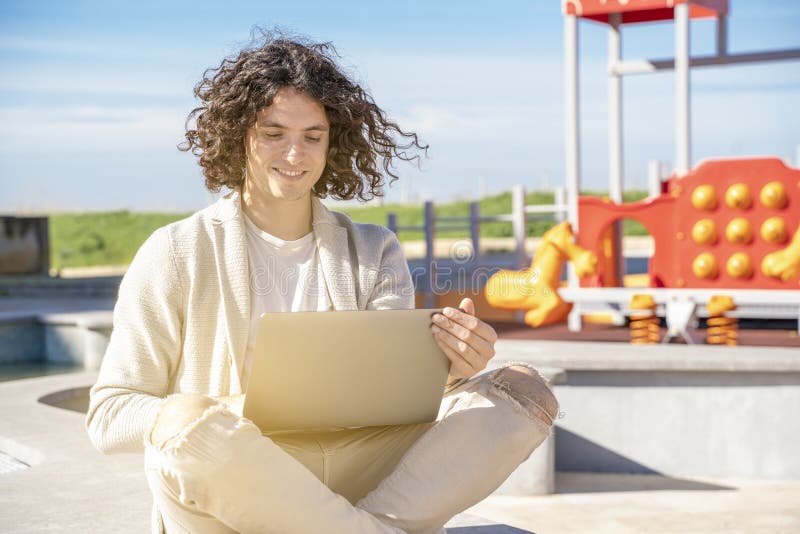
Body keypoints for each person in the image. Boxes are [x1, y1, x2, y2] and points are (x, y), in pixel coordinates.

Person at [86, 31, 559, 534]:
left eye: (313, 136)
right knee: (184, 426)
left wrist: (451, 369)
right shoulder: (176, 251)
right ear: (237, 134)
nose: (295, 155)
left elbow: (389, 390)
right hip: (237, 478)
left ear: (333, 144)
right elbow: (111, 415)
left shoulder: (375, 249)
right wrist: (216, 412)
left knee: (523, 393)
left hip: (358, 469)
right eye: (274, 134)